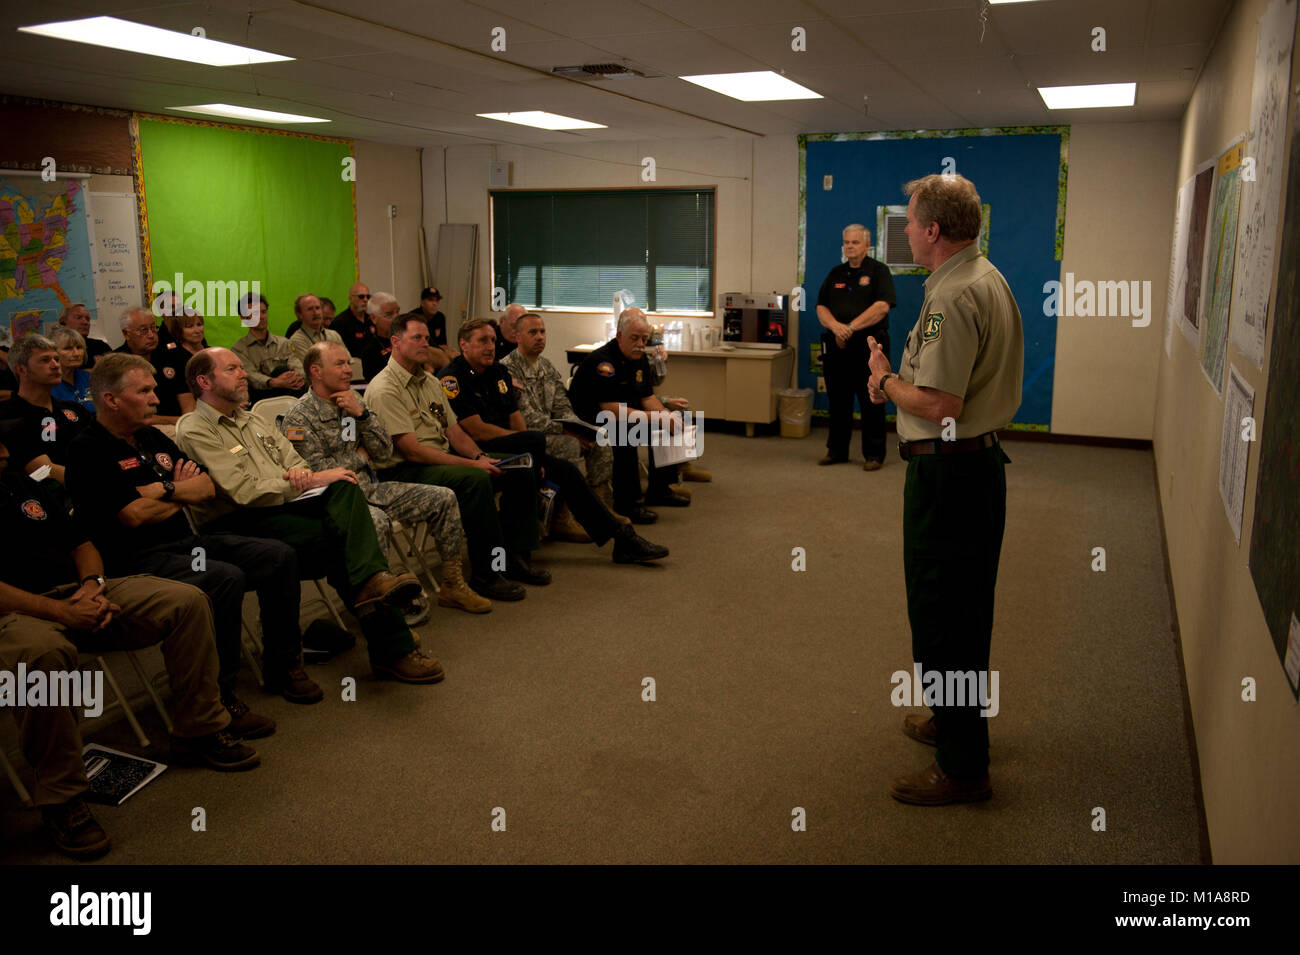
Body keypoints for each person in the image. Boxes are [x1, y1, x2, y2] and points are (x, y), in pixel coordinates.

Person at [0, 435, 260, 858]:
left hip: (75, 592)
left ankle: (198, 729)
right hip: (14, 613)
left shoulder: (20, 483)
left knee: (187, 601)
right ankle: (61, 796)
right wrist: (61, 611)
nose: (5, 447)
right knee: (43, 656)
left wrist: (92, 586)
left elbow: (82, 544)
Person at [865, 173, 1023, 806]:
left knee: (944, 617)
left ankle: (962, 766)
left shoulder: (954, 297)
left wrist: (885, 382)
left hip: (949, 475)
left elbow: (940, 404)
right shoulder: (984, 276)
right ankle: (951, 720)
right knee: (962, 610)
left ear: (932, 230)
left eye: (909, 221)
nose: (904, 230)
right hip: (971, 470)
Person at [66, 353, 323, 714]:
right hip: (135, 561)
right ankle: (220, 695)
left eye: (154, 390)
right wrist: (178, 492)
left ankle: (283, 666)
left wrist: (165, 490)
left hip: (185, 544)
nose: (156, 399)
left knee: (277, 556)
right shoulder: (87, 449)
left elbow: (205, 488)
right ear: (111, 399)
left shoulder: (151, 437)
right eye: (144, 391)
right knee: (224, 577)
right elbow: (134, 516)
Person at [175, 347, 442, 684]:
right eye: (232, 369)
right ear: (204, 381)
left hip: (283, 505)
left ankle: (376, 585)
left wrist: (305, 477)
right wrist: (302, 480)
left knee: (344, 485)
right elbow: (242, 490)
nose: (243, 374)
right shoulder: (195, 428)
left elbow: (296, 462)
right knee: (348, 546)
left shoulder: (252, 419)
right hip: (238, 521)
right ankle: (393, 646)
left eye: (242, 367)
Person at [282, 341, 491, 615]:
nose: (348, 370)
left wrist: (362, 415)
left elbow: (383, 451)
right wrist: (361, 456)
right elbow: (321, 472)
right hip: (339, 502)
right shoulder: (299, 418)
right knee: (377, 521)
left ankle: (453, 585)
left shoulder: (353, 401)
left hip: (371, 488)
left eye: (348, 363)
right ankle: (381, 612)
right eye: (340, 364)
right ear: (316, 372)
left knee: (444, 497)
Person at [440, 319, 667, 564]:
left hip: (510, 445)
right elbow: (476, 430)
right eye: (483, 340)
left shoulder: (497, 372)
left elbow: (516, 418)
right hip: (478, 451)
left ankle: (621, 539)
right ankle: (528, 545)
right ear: (464, 344)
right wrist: (527, 443)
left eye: (493, 340)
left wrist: (528, 447)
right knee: (540, 442)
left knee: (567, 470)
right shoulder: (453, 378)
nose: (490, 346)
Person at [363, 313, 542, 600]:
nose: (425, 343)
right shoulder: (385, 389)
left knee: (518, 468)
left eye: (426, 337)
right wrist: (472, 465)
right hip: (405, 470)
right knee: (475, 480)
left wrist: (480, 456)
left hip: (439, 459)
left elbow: (454, 431)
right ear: (396, 342)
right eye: (416, 338)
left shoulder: (430, 382)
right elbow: (412, 451)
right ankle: (486, 574)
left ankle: (514, 558)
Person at [568, 308, 689, 524]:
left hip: (622, 415)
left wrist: (666, 416)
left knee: (671, 421)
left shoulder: (639, 358)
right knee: (626, 433)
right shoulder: (603, 362)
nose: (641, 344)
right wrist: (655, 418)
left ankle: (660, 489)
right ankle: (628, 503)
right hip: (592, 421)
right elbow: (610, 408)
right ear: (619, 336)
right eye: (635, 338)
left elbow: (647, 397)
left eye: (644, 338)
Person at [501, 312, 623, 521]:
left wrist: (576, 428)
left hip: (553, 430)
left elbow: (562, 405)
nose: (540, 337)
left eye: (542, 332)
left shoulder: (546, 366)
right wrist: (566, 431)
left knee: (600, 439)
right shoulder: (507, 369)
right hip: (526, 436)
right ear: (517, 336)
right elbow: (526, 418)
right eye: (533, 332)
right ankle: (563, 517)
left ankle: (601, 509)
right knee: (570, 445)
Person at [816, 223, 896, 470]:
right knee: (838, 401)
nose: (849, 246)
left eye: (855, 242)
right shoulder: (836, 273)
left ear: (867, 244)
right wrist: (836, 327)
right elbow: (821, 307)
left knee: (872, 401)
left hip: (869, 348)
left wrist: (849, 328)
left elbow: (882, 307)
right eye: (846, 242)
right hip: (838, 347)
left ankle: (874, 455)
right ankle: (836, 451)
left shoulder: (879, 271)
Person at [0, 333, 93, 486]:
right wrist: (102, 482)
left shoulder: (73, 409)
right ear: (21, 369)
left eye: (56, 359)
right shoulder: (8, 416)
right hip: (53, 493)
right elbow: (44, 470)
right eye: (45, 360)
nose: (55, 365)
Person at [115, 306, 187, 425]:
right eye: (143, 330)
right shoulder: (117, 363)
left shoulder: (171, 355)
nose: (151, 335)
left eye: (153, 328)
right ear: (126, 334)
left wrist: (186, 422)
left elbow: (187, 398)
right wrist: (175, 421)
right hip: (140, 426)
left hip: (180, 424)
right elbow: (129, 413)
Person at [230, 294, 305, 403]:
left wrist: (296, 377)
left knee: (286, 372)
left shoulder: (283, 343)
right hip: (261, 399)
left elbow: (297, 364)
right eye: (255, 313)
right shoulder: (238, 349)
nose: (262, 317)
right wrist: (273, 382)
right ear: (244, 318)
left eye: (264, 312)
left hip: (291, 392)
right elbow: (250, 375)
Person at [157, 304, 210, 415]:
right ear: (178, 331)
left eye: (199, 324)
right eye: (190, 326)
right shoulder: (174, 358)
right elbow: (188, 407)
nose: (197, 330)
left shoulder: (212, 352)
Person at [402, 287, 455, 368]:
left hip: (436, 350)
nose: (434, 304)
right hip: (419, 350)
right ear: (422, 303)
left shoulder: (440, 317)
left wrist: (450, 352)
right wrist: (444, 352)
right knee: (444, 359)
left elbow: (443, 343)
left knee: (455, 356)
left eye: (437, 301)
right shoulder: (413, 317)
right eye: (430, 300)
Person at [287, 293, 347, 363]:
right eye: (310, 309)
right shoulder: (297, 340)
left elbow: (348, 360)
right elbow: (312, 366)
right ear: (300, 315)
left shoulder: (334, 335)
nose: (316, 313)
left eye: (318, 308)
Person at [49, 326, 95, 414]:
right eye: (68, 348)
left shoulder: (91, 378)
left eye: (79, 347)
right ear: (53, 353)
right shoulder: (47, 385)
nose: (76, 354)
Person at [359, 292, 401, 380]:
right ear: (373, 318)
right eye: (389, 315)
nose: (396, 318)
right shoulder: (369, 349)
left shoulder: (407, 339)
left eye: (398, 312)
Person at [330, 282, 376, 361]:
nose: (365, 300)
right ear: (350, 299)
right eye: (361, 296)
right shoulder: (340, 322)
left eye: (368, 297)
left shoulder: (371, 319)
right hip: (352, 363)